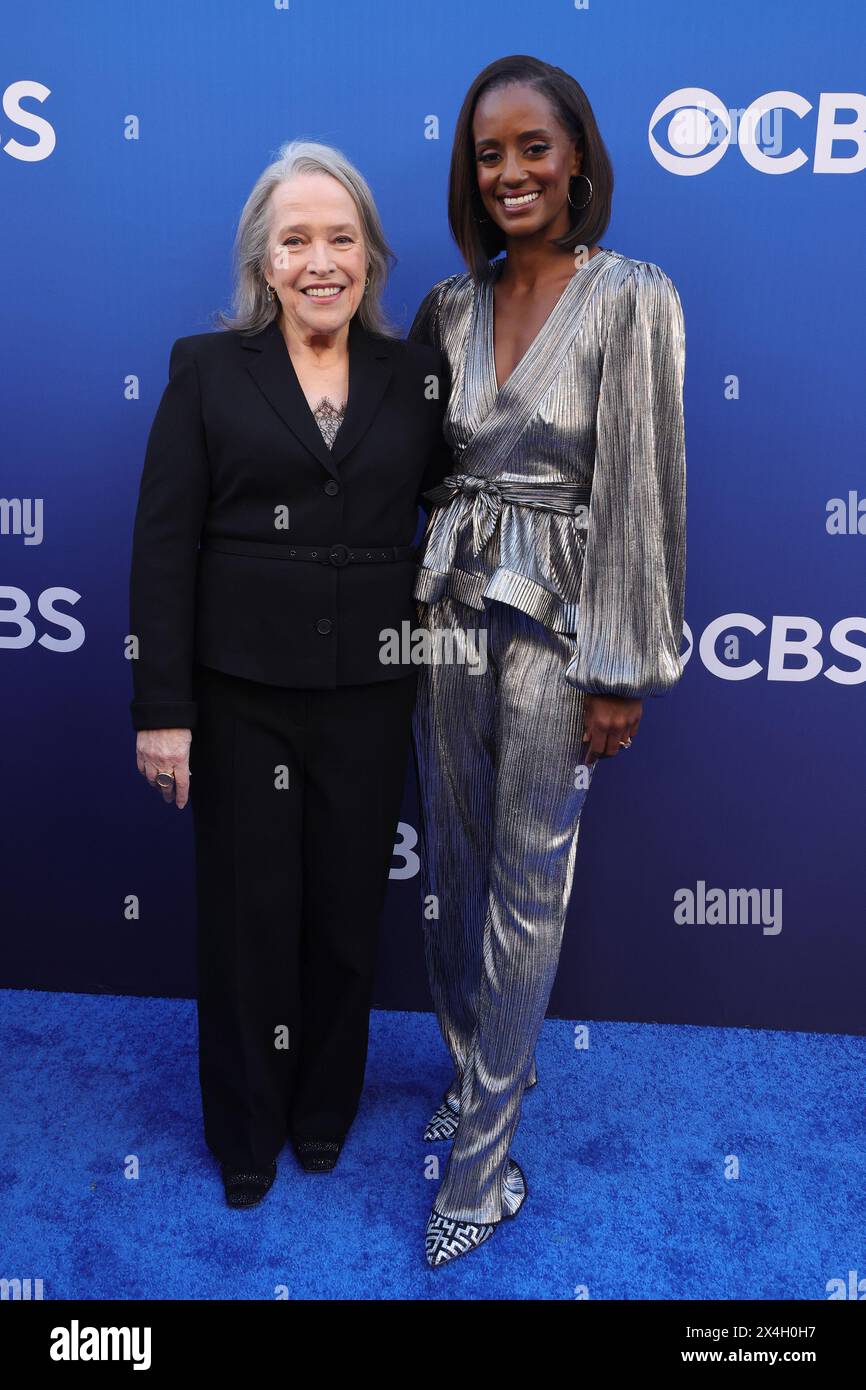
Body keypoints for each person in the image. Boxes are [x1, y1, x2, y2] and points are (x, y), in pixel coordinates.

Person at [129, 139, 450, 1208]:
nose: (321, 259)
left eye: (341, 237)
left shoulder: (416, 377)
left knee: (344, 912)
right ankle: (247, 1130)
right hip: (237, 698)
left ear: (371, 257)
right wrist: (162, 713)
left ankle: (323, 1111)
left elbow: (454, 521)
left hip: (370, 689)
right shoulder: (206, 368)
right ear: (263, 264)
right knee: (246, 916)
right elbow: (163, 545)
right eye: (295, 239)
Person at [408, 56, 687, 1266]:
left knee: (527, 885)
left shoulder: (632, 296)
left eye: (533, 146)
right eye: (488, 154)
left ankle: (480, 1165)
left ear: (577, 156)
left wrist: (618, 664)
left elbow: (643, 487)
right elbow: (412, 468)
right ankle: (474, 1077)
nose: (510, 171)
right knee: (453, 866)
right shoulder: (446, 307)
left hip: (561, 624)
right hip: (447, 614)